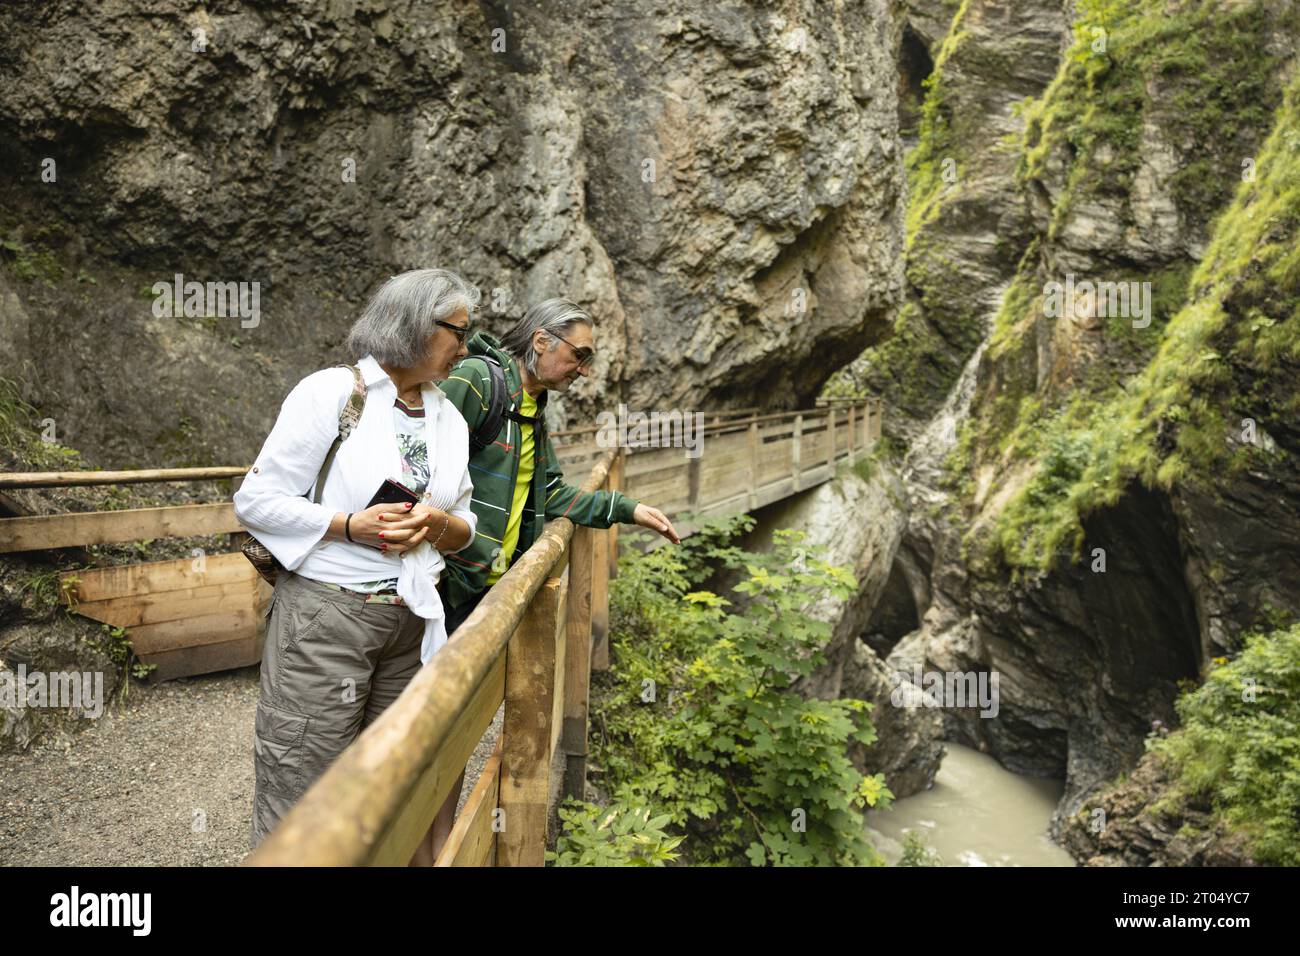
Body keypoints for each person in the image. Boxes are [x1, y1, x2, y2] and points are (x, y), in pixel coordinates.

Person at [408, 296, 681, 865]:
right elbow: (413, 458)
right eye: (578, 355)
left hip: (474, 590)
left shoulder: (531, 408)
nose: (584, 369)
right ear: (540, 341)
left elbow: (550, 493)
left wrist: (626, 509)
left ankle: (431, 852)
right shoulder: (482, 385)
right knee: (418, 726)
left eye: (588, 360)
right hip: (434, 582)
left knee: (449, 727)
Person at [233, 268, 480, 849]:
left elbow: (467, 528)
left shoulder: (450, 417)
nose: (465, 349)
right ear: (417, 326)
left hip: (413, 618)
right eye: (458, 333)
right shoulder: (333, 393)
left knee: (391, 779)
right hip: (328, 616)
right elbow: (256, 500)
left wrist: (437, 524)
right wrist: (349, 525)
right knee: (303, 775)